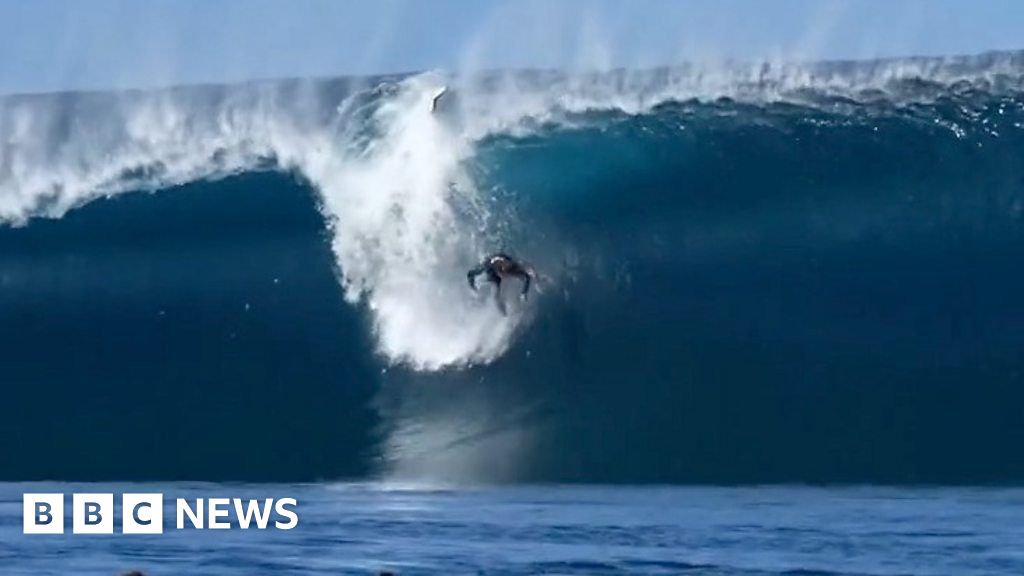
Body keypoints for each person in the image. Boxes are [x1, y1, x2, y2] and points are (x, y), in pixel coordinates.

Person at [467, 253, 536, 315]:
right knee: (496, 296)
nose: (505, 275)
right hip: (493, 268)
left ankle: (505, 311)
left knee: (521, 270)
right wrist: (473, 287)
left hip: (505, 262)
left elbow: (526, 277)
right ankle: (504, 314)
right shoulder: (488, 267)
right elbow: (470, 274)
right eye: (503, 273)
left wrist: (524, 293)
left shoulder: (512, 268)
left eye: (506, 273)